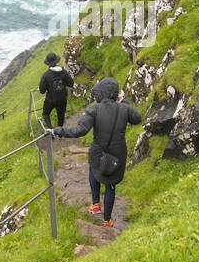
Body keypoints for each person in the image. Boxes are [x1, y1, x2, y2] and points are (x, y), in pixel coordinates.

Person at [53, 76, 141, 226]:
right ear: (115, 93)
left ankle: (95, 205)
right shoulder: (124, 108)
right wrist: (122, 101)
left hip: (98, 151)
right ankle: (107, 221)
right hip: (117, 154)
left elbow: (80, 130)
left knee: (94, 170)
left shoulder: (93, 109)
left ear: (100, 92)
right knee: (111, 186)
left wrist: (58, 130)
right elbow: (137, 118)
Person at [38, 51, 74, 129]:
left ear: (47, 63)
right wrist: (63, 83)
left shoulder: (46, 75)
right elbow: (71, 83)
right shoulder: (63, 71)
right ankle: (60, 132)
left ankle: (50, 130)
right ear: (56, 60)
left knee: (45, 114)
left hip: (50, 100)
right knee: (61, 115)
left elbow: (42, 91)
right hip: (62, 98)